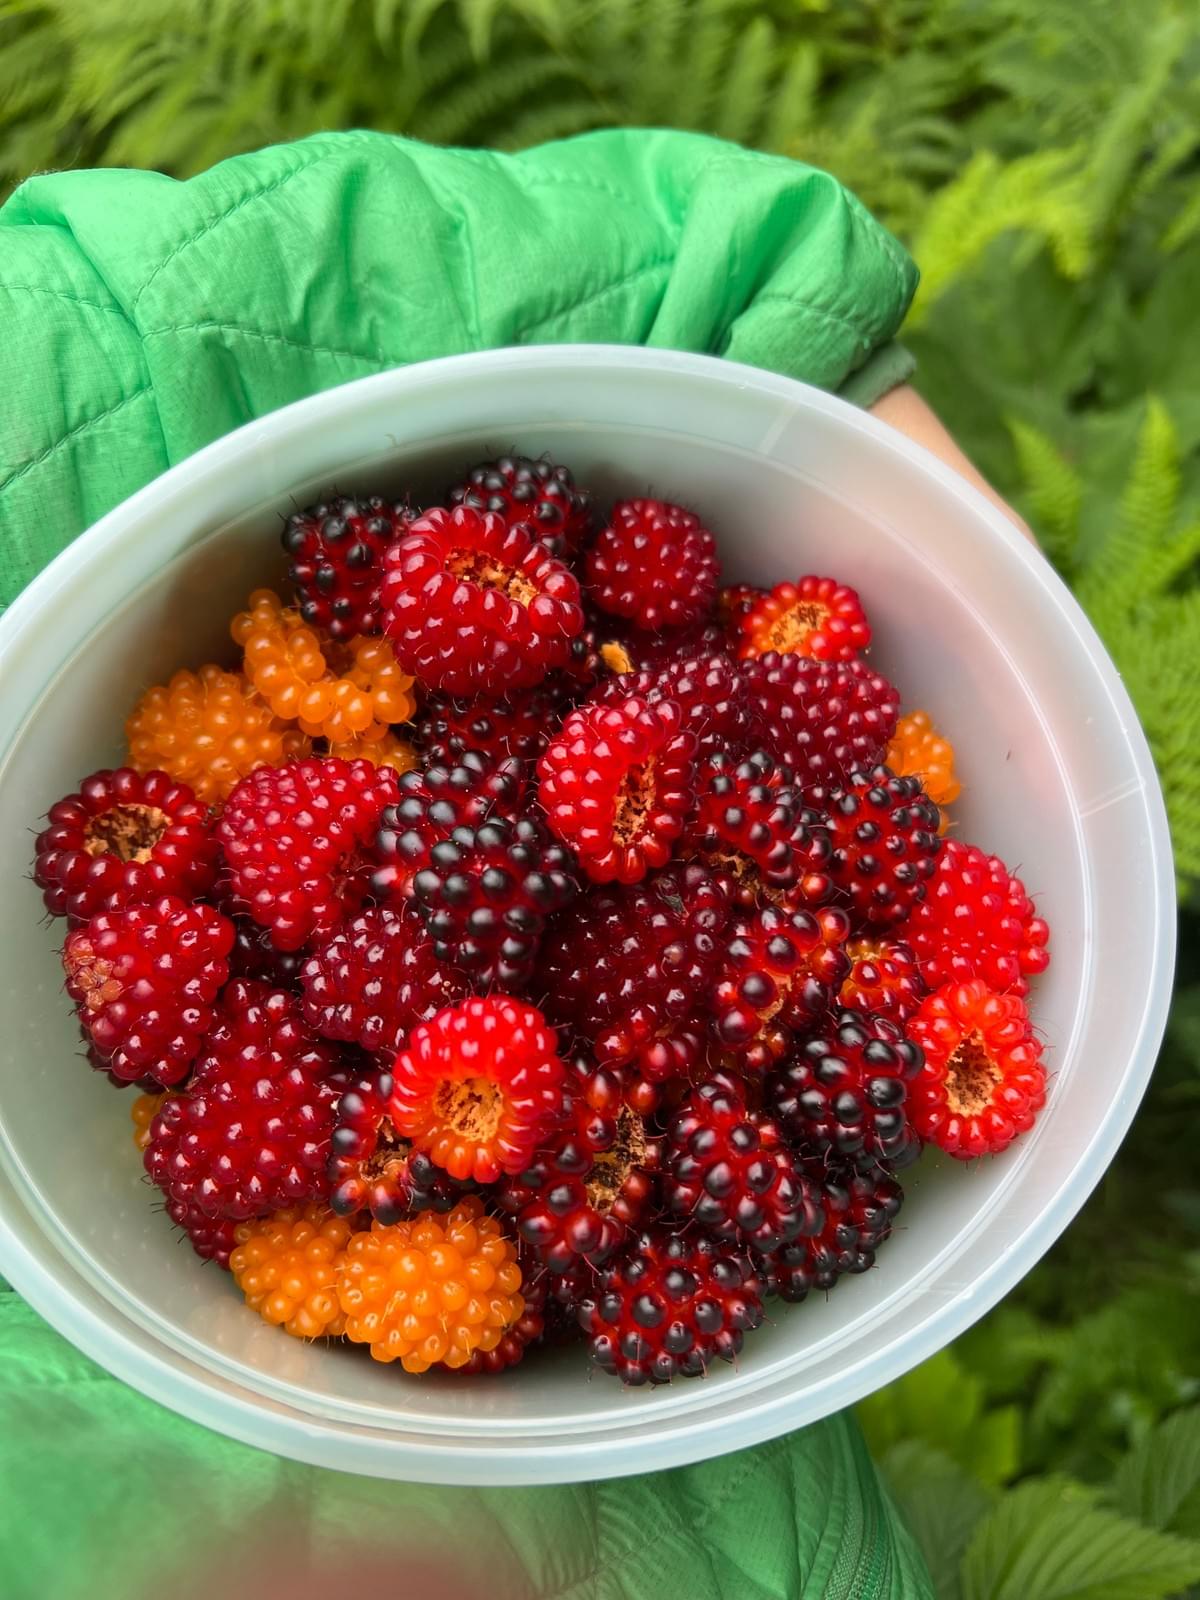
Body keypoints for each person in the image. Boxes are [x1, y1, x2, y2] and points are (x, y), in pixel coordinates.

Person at [0, 126, 1024, 1600]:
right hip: (689, 1487)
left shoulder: (43, 399)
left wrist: (779, 318)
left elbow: (272, 286)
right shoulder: (789, 1559)